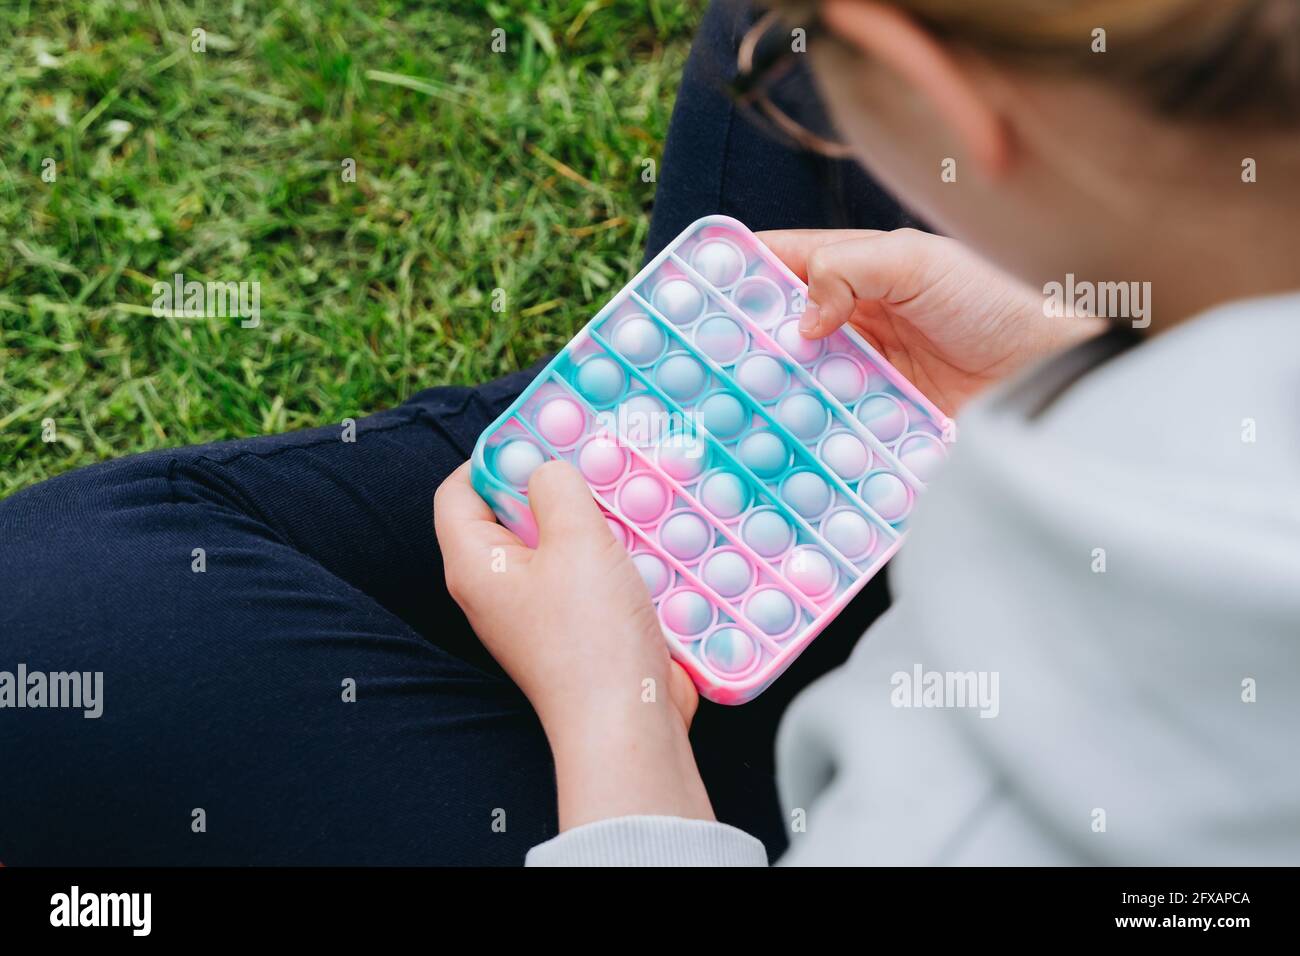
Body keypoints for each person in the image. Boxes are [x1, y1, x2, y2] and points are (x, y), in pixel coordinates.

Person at [2, 0, 1297, 867]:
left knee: (50, 623)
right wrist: (1067, 357)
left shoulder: (986, 814)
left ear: (948, 103)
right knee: (776, 40)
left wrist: (616, 725)